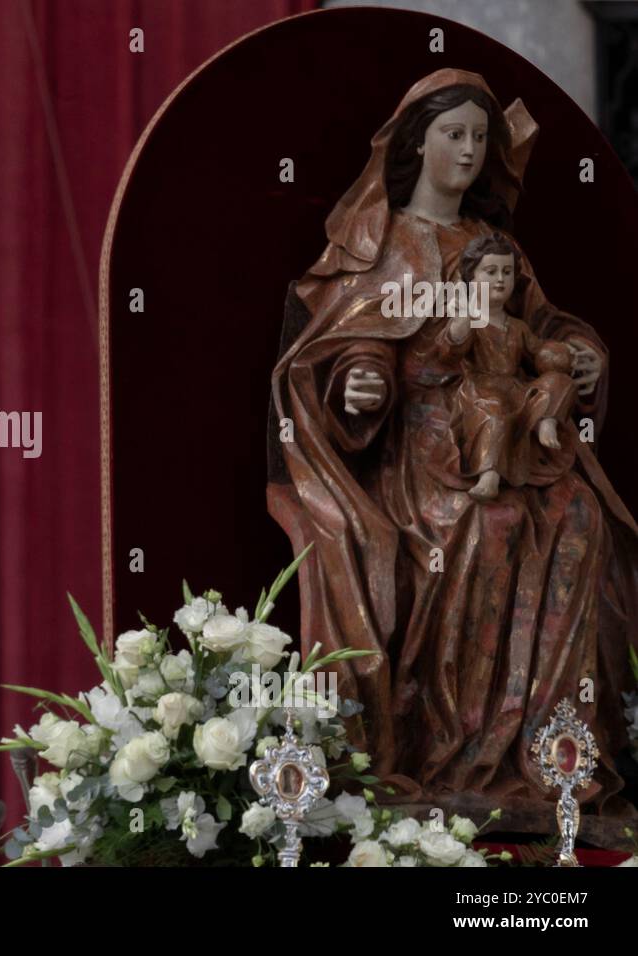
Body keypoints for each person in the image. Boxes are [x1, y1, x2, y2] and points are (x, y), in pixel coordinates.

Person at [270, 69, 638, 813]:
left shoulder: (493, 243)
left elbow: (542, 325)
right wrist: (358, 384)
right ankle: (451, 753)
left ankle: (552, 755)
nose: (470, 152)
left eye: (480, 138)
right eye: (454, 135)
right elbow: (345, 345)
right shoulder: (376, 246)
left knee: (579, 518)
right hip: (414, 449)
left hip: (510, 432)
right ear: (416, 143)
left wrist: (582, 349)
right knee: (475, 524)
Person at [439, 232, 576, 500]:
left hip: (516, 389)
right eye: (490, 272)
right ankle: (489, 475)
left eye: (507, 272)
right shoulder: (472, 319)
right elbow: (448, 351)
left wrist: (561, 353)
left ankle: (545, 420)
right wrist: (463, 319)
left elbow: (539, 354)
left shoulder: (517, 326)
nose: (500, 280)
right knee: (494, 412)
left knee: (561, 382)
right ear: (471, 279)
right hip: (481, 390)